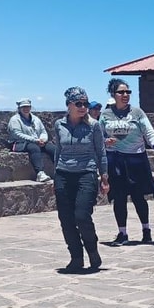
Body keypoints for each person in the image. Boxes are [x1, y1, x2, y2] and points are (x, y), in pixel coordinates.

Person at [101, 78, 154, 244]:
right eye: (121, 92)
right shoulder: (105, 115)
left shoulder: (137, 113)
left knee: (138, 196)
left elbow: (148, 131)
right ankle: (122, 233)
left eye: (128, 92)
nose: (125, 95)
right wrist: (104, 141)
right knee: (119, 197)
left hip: (136, 159)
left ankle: (146, 229)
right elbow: (98, 136)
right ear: (113, 94)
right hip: (115, 159)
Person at [53, 86, 108, 273]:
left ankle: (92, 249)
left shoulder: (94, 125)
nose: (83, 107)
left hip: (87, 172)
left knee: (82, 215)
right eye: (79, 103)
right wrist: (56, 173)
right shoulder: (59, 125)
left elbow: (101, 152)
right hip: (63, 173)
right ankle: (76, 257)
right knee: (66, 219)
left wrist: (104, 177)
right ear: (69, 105)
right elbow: (58, 150)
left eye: (85, 103)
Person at [8, 98, 56, 182]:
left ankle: (60, 170)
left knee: (52, 148)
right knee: (34, 148)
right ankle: (40, 173)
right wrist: (35, 140)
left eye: (28, 107)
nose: (26, 109)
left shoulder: (36, 119)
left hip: (37, 141)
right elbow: (17, 134)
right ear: (19, 108)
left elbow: (43, 131)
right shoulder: (15, 120)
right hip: (19, 143)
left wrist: (43, 139)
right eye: (23, 107)